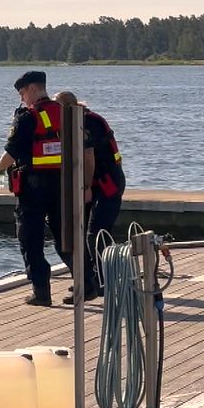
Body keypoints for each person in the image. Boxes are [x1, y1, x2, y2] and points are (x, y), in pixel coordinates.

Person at [0, 71, 73, 307]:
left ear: (31, 89)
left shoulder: (28, 116)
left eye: (22, 93)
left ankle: (41, 292)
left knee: (31, 239)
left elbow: (13, 150)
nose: (22, 99)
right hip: (62, 185)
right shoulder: (65, 112)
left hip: (32, 189)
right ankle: (86, 282)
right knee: (65, 236)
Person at [54, 91, 126, 304]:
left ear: (67, 108)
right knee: (78, 231)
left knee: (96, 234)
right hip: (98, 182)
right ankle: (90, 279)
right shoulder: (83, 118)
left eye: (56, 108)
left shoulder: (85, 123)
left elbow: (88, 157)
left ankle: (106, 281)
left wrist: (85, 187)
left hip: (106, 183)